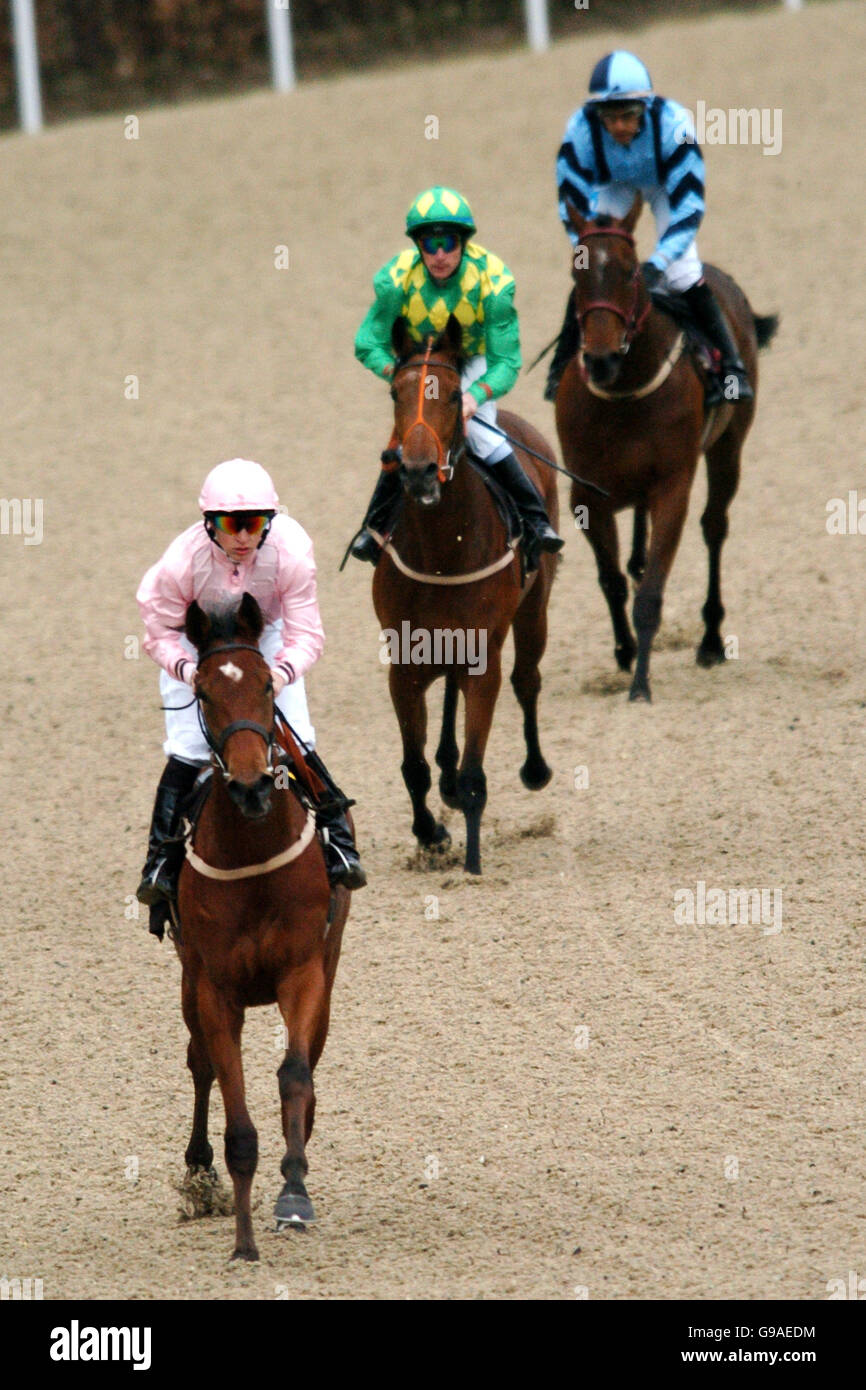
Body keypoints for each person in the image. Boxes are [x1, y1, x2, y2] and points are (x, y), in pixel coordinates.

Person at [135, 457, 366, 935]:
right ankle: (158, 862)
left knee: (297, 739)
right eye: (230, 525)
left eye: (254, 524)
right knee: (188, 749)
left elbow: (307, 635)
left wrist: (281, 675)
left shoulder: (293, 552)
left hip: (267, 641)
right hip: (195, 649)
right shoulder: (181, 562)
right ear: (210, 524)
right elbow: (157, 630)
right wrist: (187, 671)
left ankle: (340, 842)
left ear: (269, 522)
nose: (242, 537)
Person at [351, 185, 563, 569]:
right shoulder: (395, 279)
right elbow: (367, 341)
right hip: (419, 361)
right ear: (418, 246)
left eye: (448, 242)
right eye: (429, 245)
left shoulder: (493, 282)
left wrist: (474, 396)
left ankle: (536, 519)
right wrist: (396, 373)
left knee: (480, 432)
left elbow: (506, 361)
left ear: (463, 242)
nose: (439, 255)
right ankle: (375, 527)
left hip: (475, 356)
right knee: (408, 435)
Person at [547, 50, 753, 405]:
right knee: (593, 272)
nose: (619, 127)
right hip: (613, 185)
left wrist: (658, 262)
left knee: (683, 274)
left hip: (664, 187)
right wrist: (588, 253)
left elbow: (689, 206)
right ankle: (560, 367)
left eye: (628, 116)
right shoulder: (579, 131)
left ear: (645, 107)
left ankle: (732, 369)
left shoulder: (675, 126)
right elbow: (572, 204)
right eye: (609, 118)